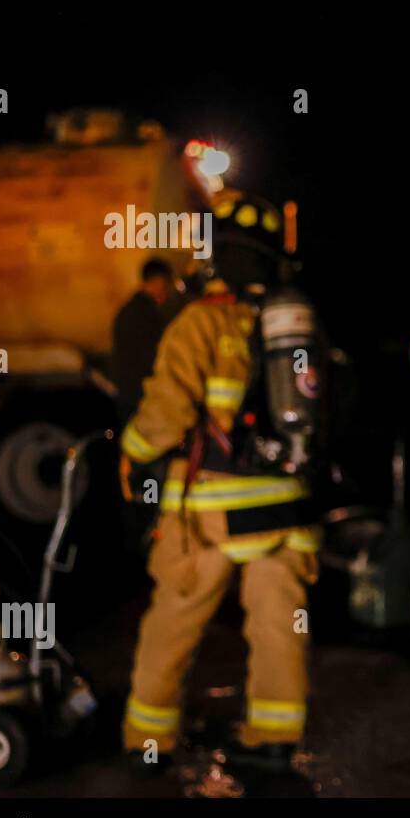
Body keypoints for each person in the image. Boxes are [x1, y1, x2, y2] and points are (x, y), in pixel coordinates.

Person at [118, 193, 320, 772]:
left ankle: (148, 738)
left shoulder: (200, 322)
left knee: (173, 621)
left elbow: (167, 414)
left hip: (210, 513)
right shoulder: (298, 323)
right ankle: (276, 737)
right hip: (286, 510)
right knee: (279, 623)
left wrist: (130, 454)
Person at [112, 257, 174, 424]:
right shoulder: (143, 315)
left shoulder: (131, 310)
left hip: (130, 395)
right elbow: (152, 358)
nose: (167, 291)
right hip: (139, 398)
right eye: (166, 284)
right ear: (158, 281)